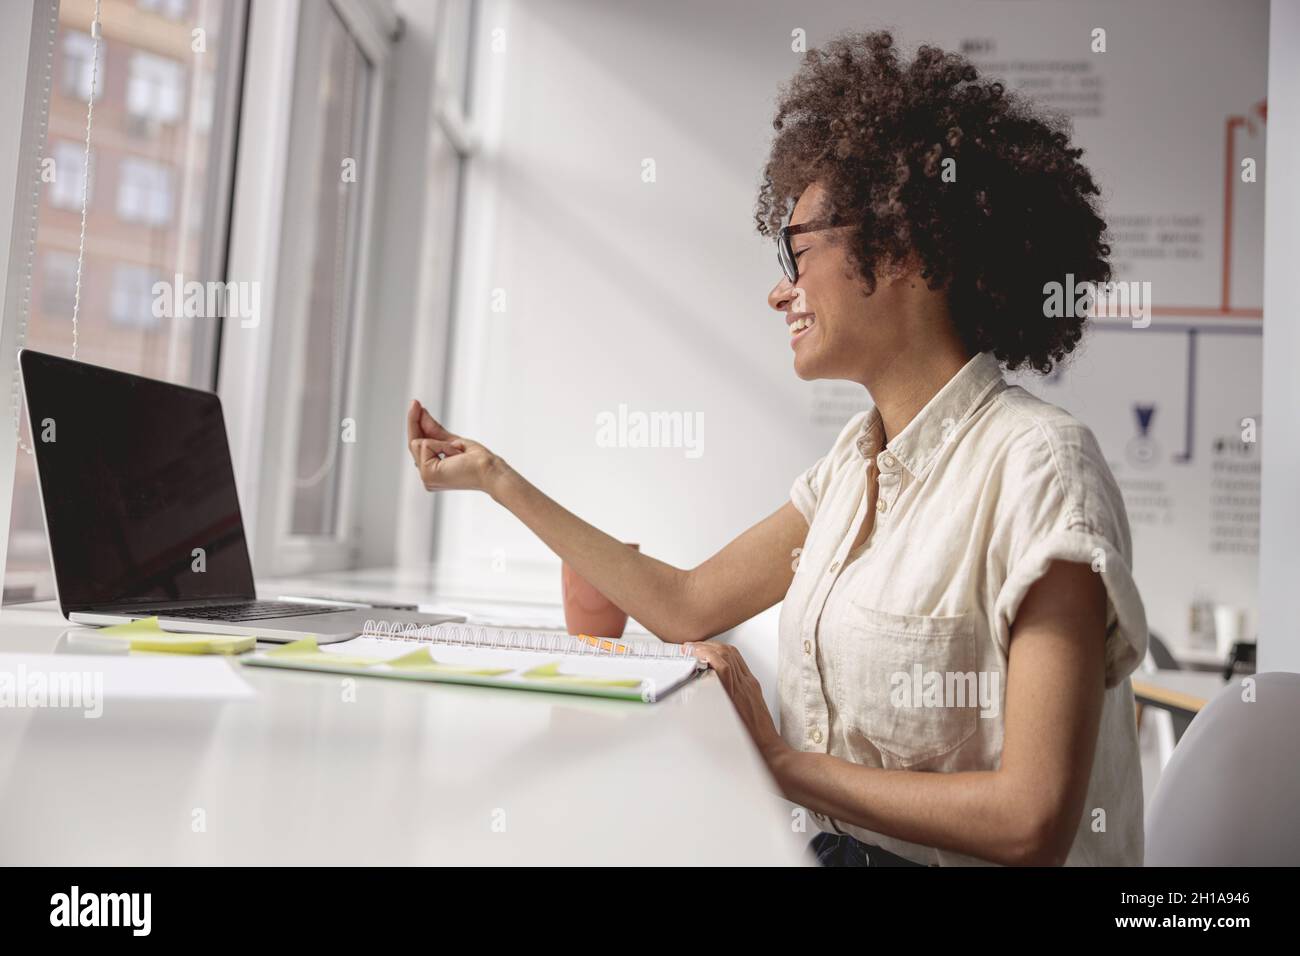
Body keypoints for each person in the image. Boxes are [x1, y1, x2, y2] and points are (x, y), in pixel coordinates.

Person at [406, 30, 1147, 866]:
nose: (778, 288)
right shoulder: (853, 467)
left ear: (901, 248)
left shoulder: (1041, 469)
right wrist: (495, 478)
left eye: (797, 251)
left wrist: (786, 765)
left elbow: (1031, 820)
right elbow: (685, 603)